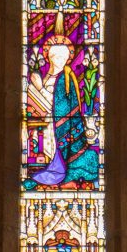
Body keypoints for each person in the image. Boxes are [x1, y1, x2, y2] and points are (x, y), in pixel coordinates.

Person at [26, 30, 99, 188]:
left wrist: (39, 88)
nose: (59, 61)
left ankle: (62, 170)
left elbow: (60, 104)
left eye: (63, 57)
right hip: (47, 124)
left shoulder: (65, 77)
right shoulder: (49, 77)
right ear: (49, 58)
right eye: (55, 57)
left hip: (61, 125)